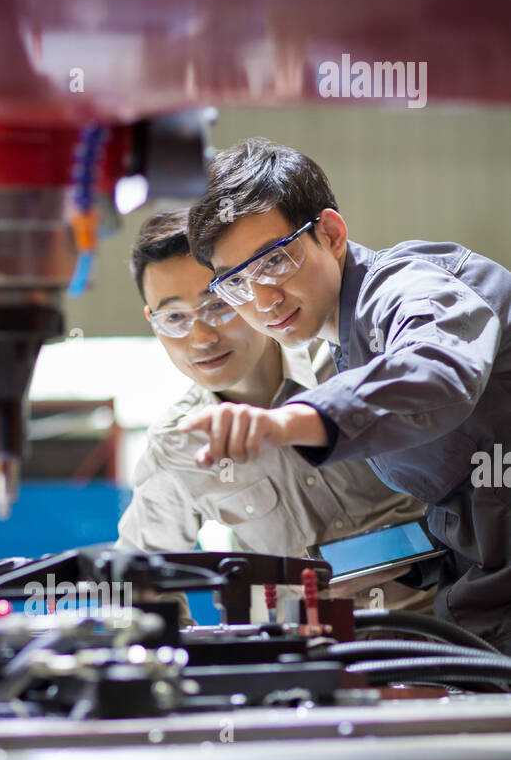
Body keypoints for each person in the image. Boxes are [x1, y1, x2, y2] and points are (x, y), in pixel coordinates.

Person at [184, 138, 511, 650]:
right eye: (236, 284)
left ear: (331, 233)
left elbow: (438, 368)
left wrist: (285, 422)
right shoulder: (346, 341)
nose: (263, 299)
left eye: (274, 261)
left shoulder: (407, 288)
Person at [117, 209, 434, 619]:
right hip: (306, 665)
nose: (201, 338)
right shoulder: (180, 444)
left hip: (446, 637)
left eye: (217, 304)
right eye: (174, 317)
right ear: (153, 321)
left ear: (247, 287)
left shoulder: (349, 362)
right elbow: (137, 575)